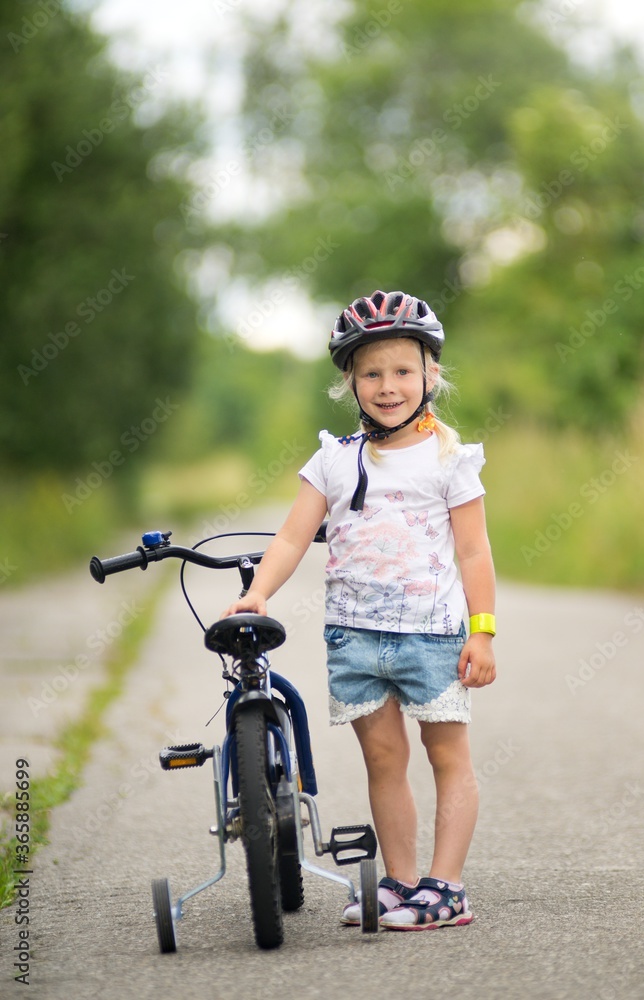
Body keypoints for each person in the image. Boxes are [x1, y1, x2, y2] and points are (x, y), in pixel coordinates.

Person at [222, 289, 497, 930]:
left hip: (432, 635)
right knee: (383, 760)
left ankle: (447, 886)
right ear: (350, 380)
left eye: (403, 370)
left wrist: (481, 632)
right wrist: (258, 592)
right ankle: (400, 882)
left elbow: (475, 551)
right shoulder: (333, 459)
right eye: (371, 373)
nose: (388, 385)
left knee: (447, 756)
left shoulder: (451, 459)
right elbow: (292, 538)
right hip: (355, 636)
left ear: (431, 375)